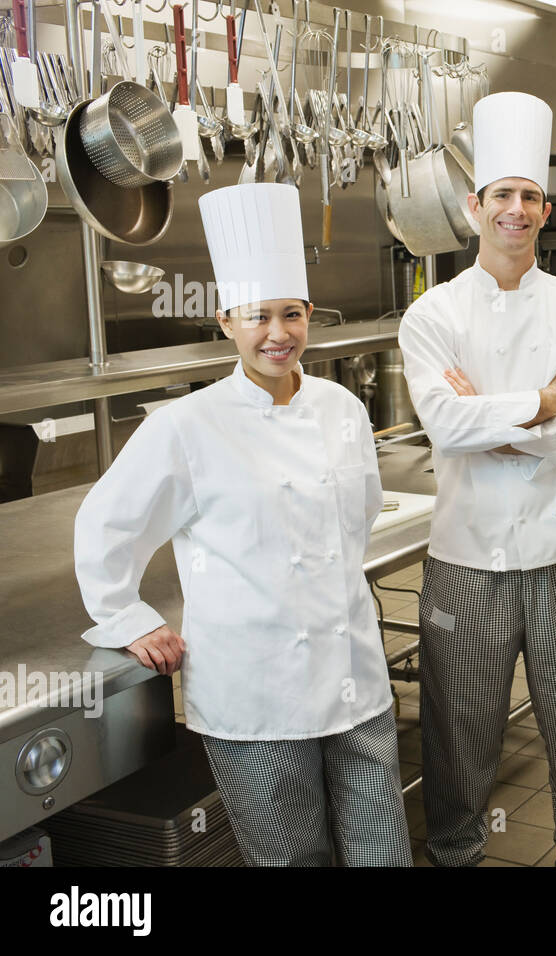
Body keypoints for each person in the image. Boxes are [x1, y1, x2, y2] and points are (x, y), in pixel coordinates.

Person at [73, 183, 411, 866]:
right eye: (258, 316)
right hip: (258, 693)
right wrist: (127, 615)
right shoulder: (185, 427)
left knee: (384, 854)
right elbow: (104, 526)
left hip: (355, 677)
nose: (278, 333)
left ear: (310, 315)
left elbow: (359, 515)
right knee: (291, 860)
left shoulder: (343, 408)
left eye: (292, 314)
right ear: (225, 319)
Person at [399, 92, 556, 867]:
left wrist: (492, 425)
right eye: (503, 196)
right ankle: (457, 852)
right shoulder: (431, 314)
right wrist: (542, 404)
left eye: (530, 196)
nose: (517, 210)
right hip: (465, 557)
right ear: (474, 206)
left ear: (546, 207)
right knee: (459, 722)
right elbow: (443, 426)